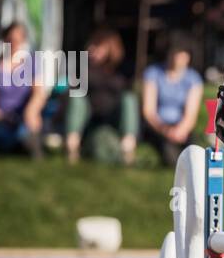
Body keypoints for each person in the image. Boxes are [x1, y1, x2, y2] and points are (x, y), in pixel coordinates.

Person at [65, 27, 139, 165]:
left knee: (129, 99)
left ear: (110, 49)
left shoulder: (122, 71)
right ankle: (72, 146)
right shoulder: (81, 68)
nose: (92, 50)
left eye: (98, 46)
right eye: (91, 45)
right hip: (89, 118)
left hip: (114, 119)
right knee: (77, 97)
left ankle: (128, 149)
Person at [0, 22, 47, 157]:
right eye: (11, 40)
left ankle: (26, 144)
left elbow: (39, 93)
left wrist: (31, 111)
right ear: (3, 40)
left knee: (27, 127)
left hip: (20, 116)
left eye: (18, 40)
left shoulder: (31, 63)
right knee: (2, 133)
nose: (14, 44)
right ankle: (17, 146)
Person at [142, 33, 204, 166]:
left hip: (181, 128)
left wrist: (180, 130)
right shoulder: (152, 73)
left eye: (182, 53)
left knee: (195, 156)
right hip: (156, 128)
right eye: (174, 53)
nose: (177, 58)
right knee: (171, 157)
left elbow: (190, 115)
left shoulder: (193, 79)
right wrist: (165, 130)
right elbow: (149, 111)